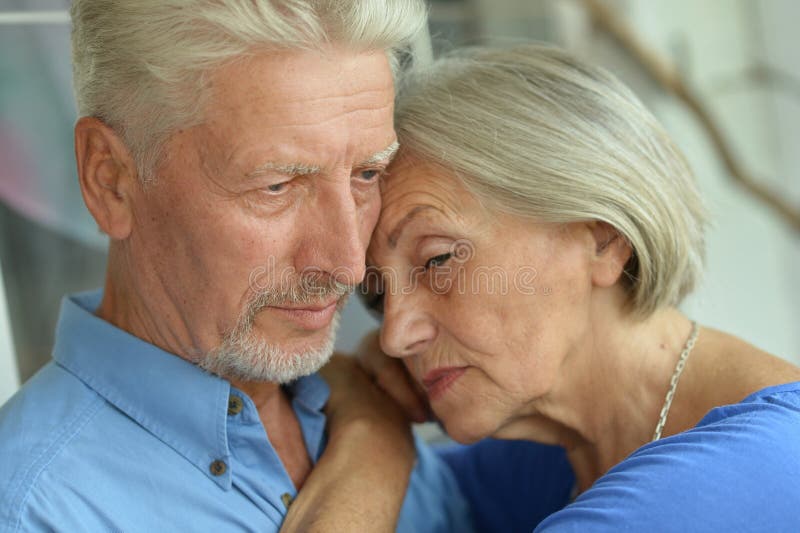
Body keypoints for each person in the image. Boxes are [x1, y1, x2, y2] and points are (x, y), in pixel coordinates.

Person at [0, 2, 478, 531]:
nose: (346, 263)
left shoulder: (366, 396)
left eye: (367, 174)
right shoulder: (36, 511)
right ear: (109, 179)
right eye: (276, 186)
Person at [298, 44, 800, 531]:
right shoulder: (557, 460)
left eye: (437, 260)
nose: (393, 335)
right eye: (379, 293)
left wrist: (371, 427)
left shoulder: (723, 482)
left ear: (604, 238)